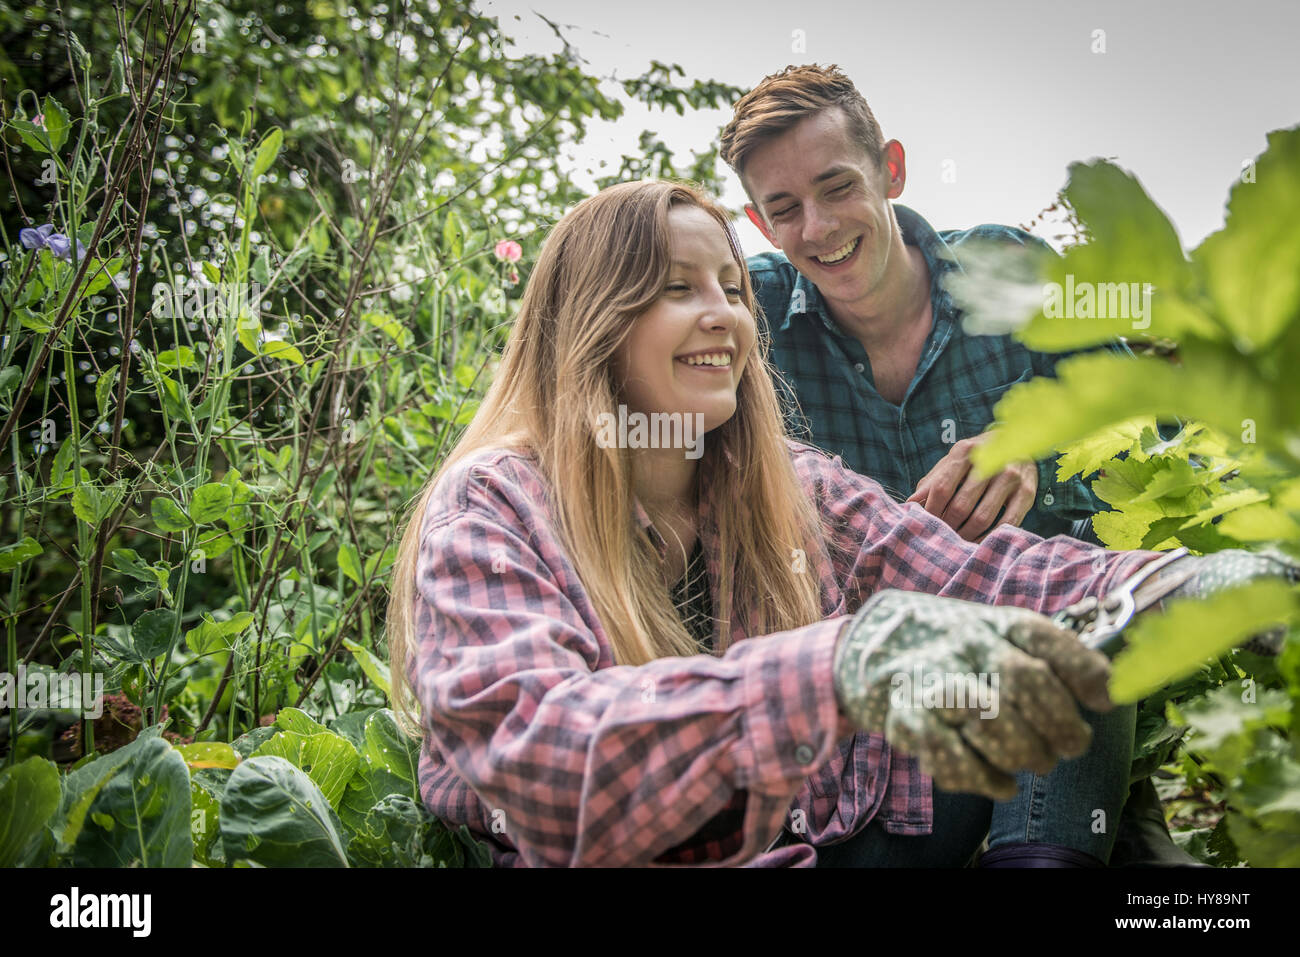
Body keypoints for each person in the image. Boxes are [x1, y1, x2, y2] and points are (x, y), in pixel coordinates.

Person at [386, 179, 1296, 867]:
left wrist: (1182, 581)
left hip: (835, 836)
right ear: (591, 321)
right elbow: (542, 759)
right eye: (676, 288)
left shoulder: (784, 483)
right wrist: (842, 662)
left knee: (1078, 639)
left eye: (732, 287)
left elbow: (989, 575)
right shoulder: (494, 506)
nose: (724, 315)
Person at [717, 63, 1178, 863]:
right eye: (785, 208)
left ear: (890, 169)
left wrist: (1043, 458)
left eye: (838, 187)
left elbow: (1159, 448)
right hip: (886, 709)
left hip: (1066, 659)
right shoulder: (751, 322)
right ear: (760, 223)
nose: (819, 227)